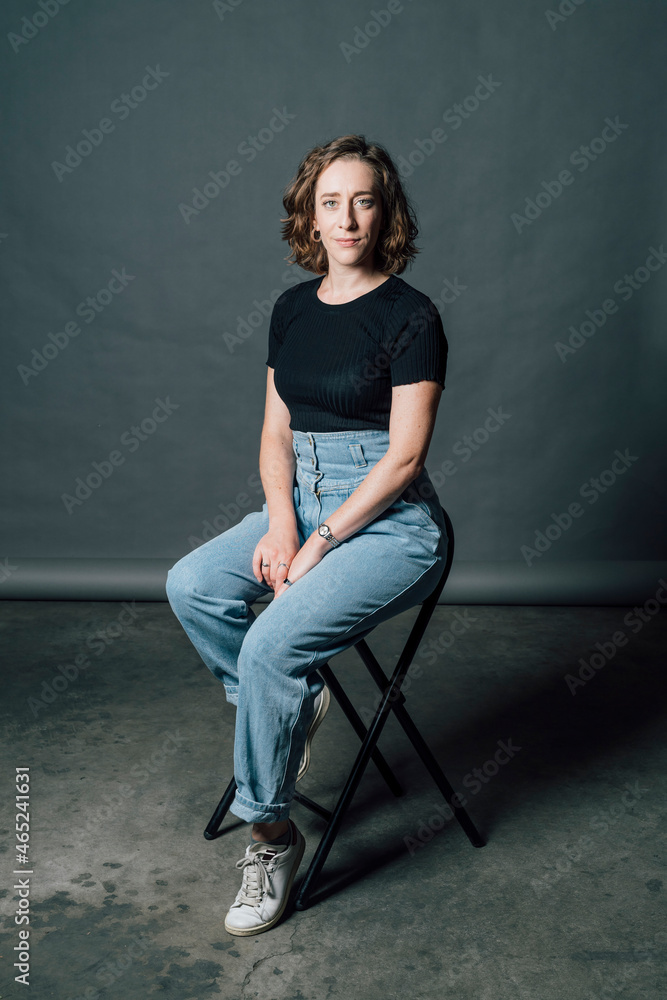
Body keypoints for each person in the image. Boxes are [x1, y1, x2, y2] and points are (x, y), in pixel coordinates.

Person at [166, 133, 449, 936]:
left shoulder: (411, 315)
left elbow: (402, 460)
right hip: (301, 501)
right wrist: (284, 522)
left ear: (383, 210)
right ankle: (291, 703)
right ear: (310, 215)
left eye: (363, 199)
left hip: (388, 523)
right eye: (331, 202)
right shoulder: (291, 310)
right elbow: (275, 436)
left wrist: (319, 540)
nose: (348, 217)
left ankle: (270, 835)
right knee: (192, 585)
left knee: (268, 650)